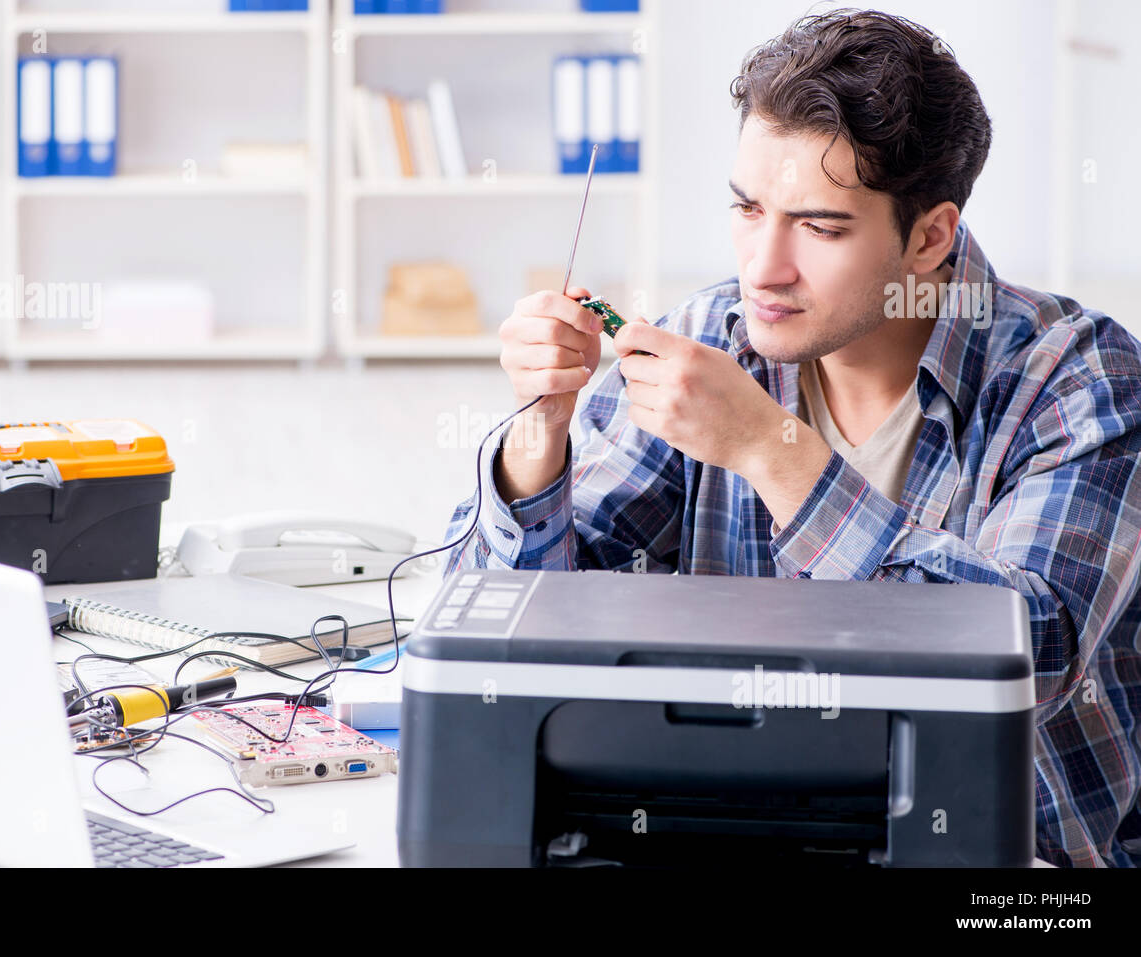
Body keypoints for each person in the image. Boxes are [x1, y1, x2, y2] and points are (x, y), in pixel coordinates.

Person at [441, 8, 1141, 868]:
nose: (762, 268)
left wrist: (773, 450)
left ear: (929, 237)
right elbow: (491, 646)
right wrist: (538, 436)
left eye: (819, 227)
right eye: (747, 208)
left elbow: (1029, 654)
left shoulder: (1079, 376)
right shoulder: (712, 339)